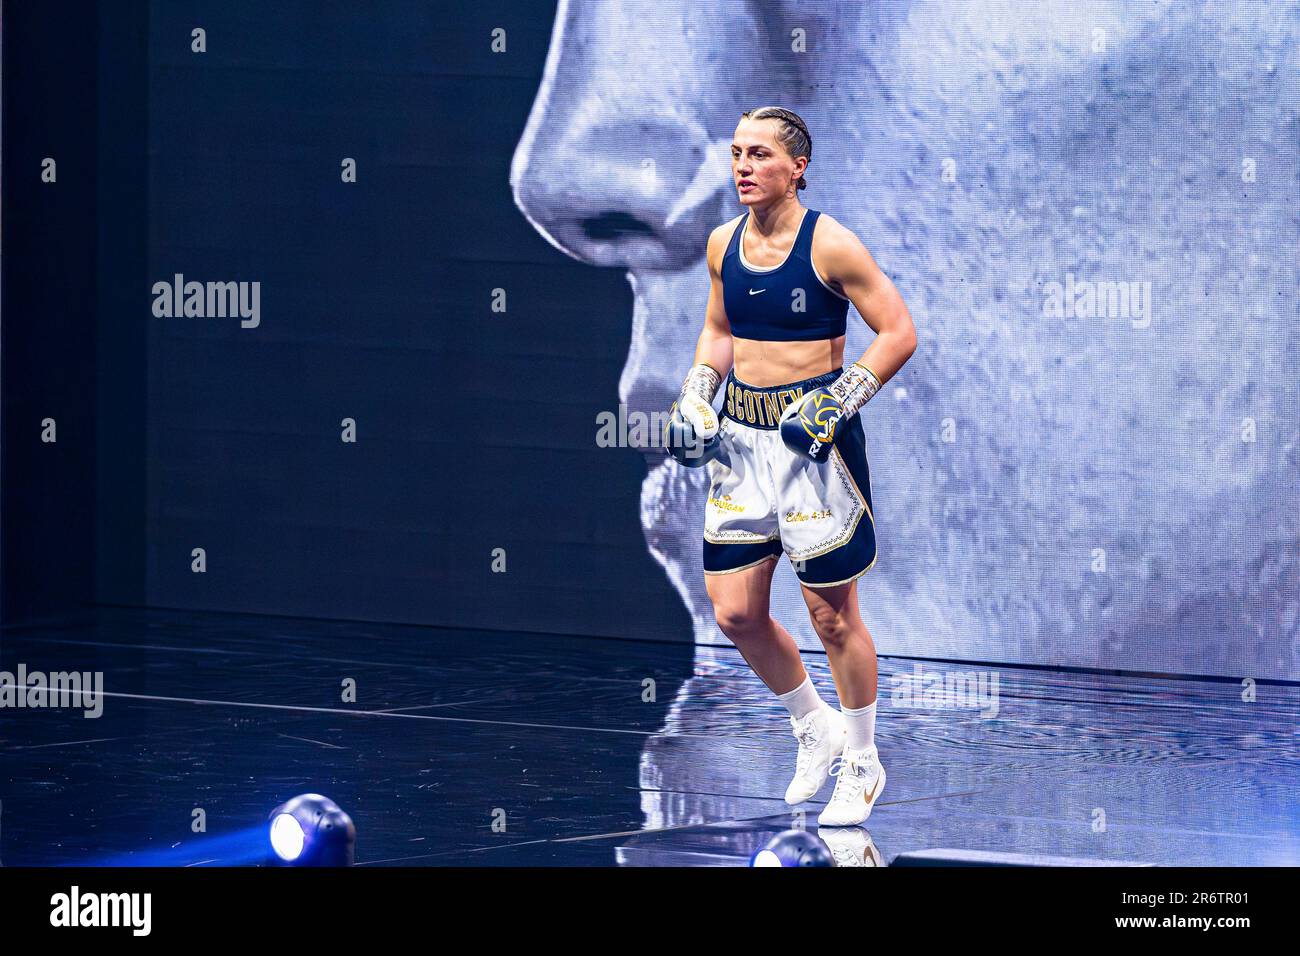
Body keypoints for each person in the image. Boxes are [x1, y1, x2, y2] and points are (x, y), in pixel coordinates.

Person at [665, 106, 917, 825]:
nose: (743, 166)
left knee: (831, 618)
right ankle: (814, 726)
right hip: (742, 440)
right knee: (736, 610)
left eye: (760, 155)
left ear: (797, 166)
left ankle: (863, 762)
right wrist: (695, 395)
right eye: (737, 153)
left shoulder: (830, 244)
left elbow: (898, 332)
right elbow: (718, 331)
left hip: (812, 443)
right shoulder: (723, 244)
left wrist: (840, 401)